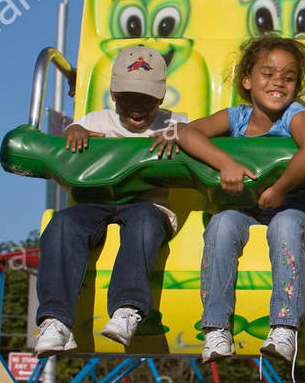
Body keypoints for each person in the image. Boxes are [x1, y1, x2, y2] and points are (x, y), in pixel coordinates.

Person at [166, 37, 305, 374]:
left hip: (290, 206)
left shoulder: (295, 117)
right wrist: (225, 163)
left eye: (288, 77)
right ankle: (216, 328)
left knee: (285, 226)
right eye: (267, 74)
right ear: (247, 80)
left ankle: (284, 327)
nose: (277, 83)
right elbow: (184, 133)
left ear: (297, 87)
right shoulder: (237, 118)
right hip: (243, 208)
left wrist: (280, 189)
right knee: (221, 224)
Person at [33, 46, 188, 356]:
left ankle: (127, 309)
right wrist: (75, 132)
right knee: (62, 224)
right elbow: (70, 139)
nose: (138, 107)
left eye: (147, 100)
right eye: (129, 97)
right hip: (97, 203)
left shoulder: (174, 122)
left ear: (160, 99)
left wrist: (182, 136)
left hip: (148, 203)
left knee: (143, 223)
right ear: (115, 95)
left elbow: (195, 136)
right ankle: (56, 320)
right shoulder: (97, 121)